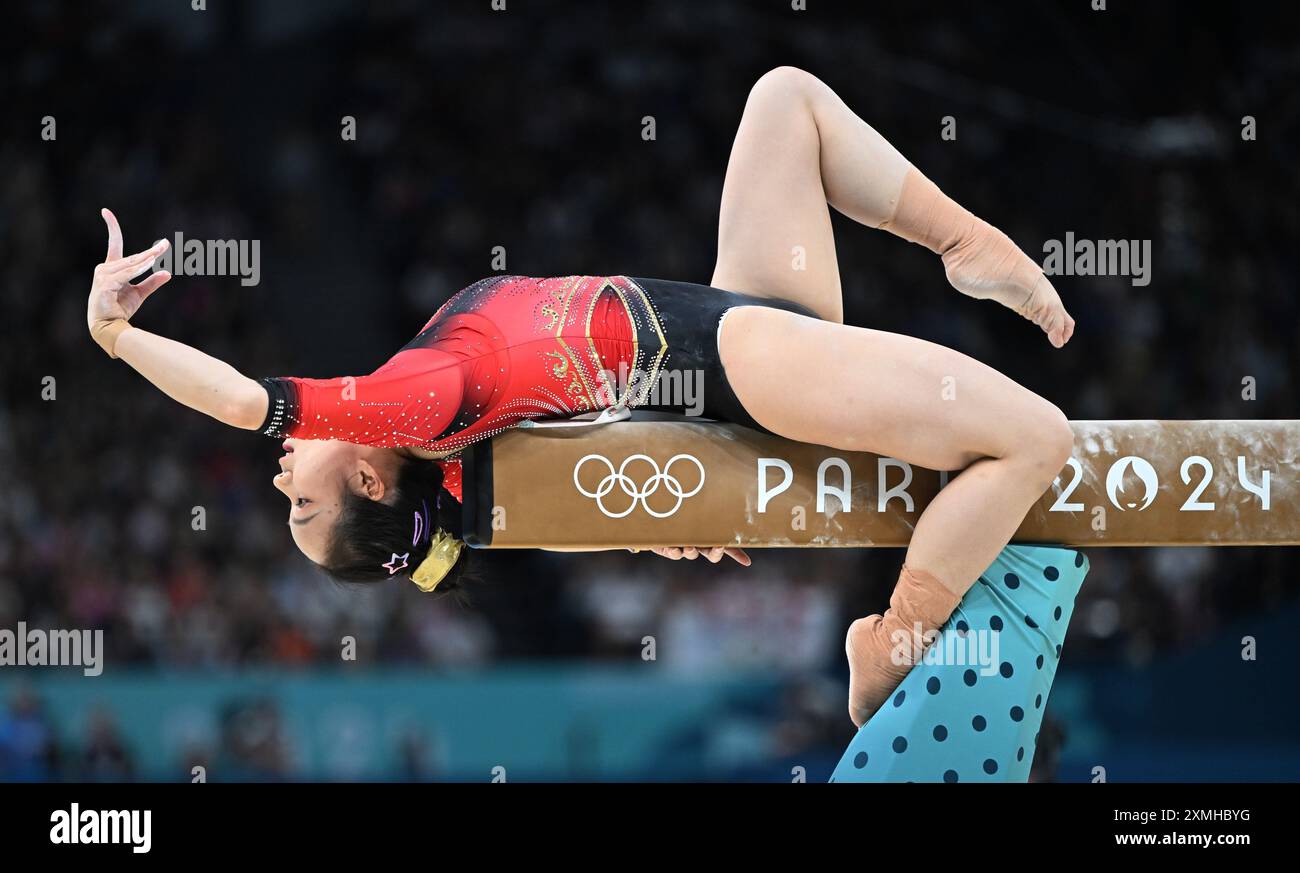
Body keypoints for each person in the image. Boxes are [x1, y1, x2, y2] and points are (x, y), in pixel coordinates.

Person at [86, 67, 1073, 726]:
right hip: (739, 354)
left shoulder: (459, 446)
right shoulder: (410, 412)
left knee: (786, 102)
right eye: (301, 502)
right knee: (1034, 439)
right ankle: (892, 646)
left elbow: (563, 474)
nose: (279, 475)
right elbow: (241, 403)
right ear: (375, 481)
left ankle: (963, 244)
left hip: (733, 322)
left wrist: (670, 493)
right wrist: (117, 339)